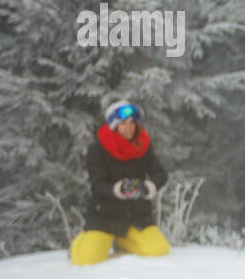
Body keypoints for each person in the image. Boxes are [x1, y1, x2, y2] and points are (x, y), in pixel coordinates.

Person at [69, 99, 170, 265]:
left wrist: (148, 186)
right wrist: (118, 189)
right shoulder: (97, 150)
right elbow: (97, 185)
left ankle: (122, 241)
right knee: (84, 259)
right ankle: (82, 242)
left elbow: (161, 174)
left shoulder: (143, 146)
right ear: (113, 125)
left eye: (132, 123)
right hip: (105, 217)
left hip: (137, 216)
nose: (129, 127)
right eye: (123, 123)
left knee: (159, 250)